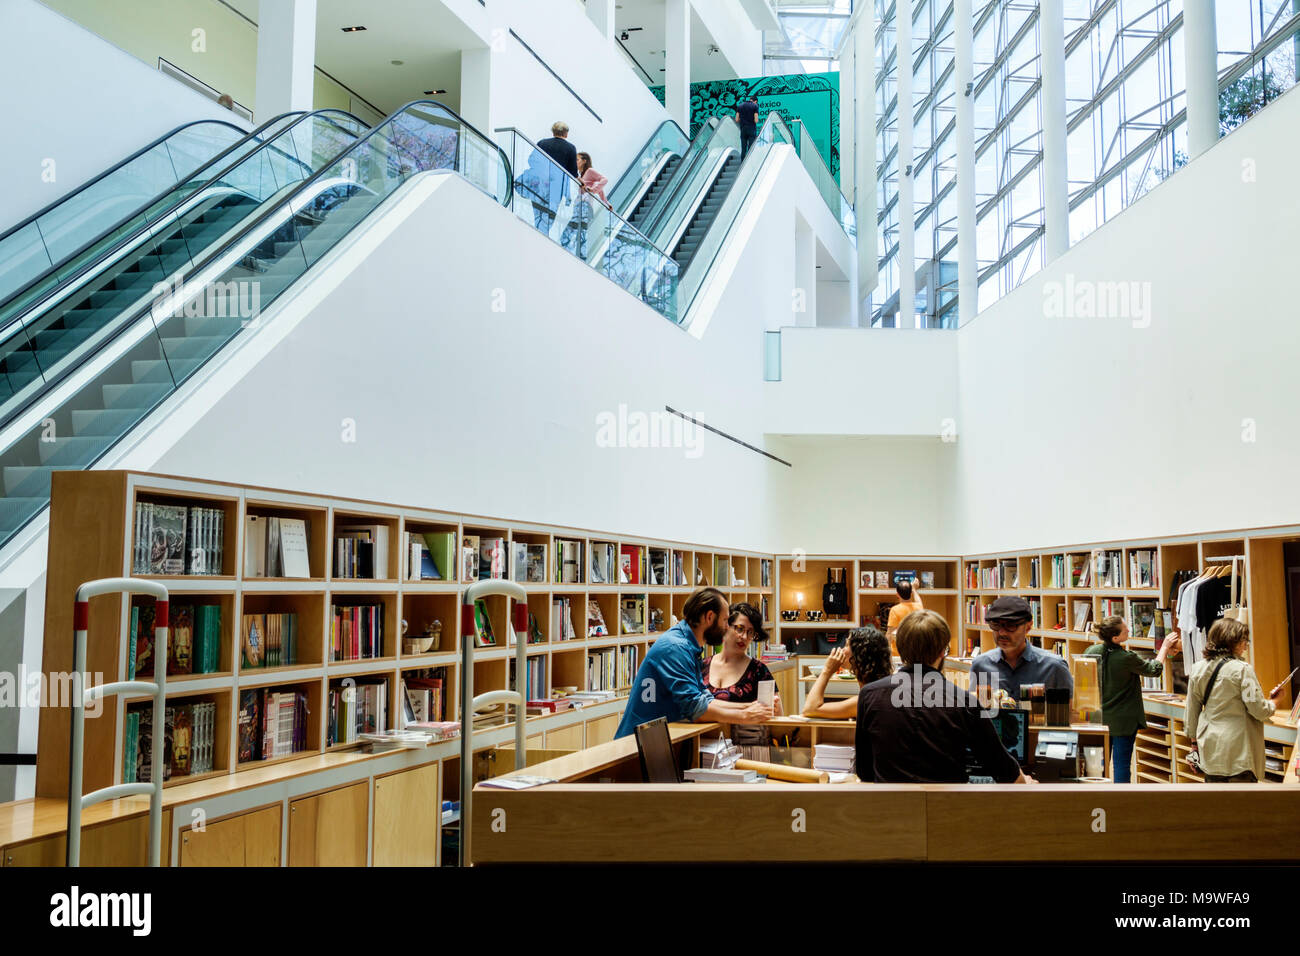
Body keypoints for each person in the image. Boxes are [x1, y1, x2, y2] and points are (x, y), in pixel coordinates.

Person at [855, 610, 1032, 783]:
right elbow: (1002, 768)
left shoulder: (869, 695)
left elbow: (864, 771)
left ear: (900, 649)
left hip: (891, 809)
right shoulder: (964, 701)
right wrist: (1027, 783)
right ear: (942, 652)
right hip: (947, 809)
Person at [614, 587, 773, 738]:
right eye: (725, 620)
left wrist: (750, 707)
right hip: (638, 744)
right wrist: (745, 715)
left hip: (654, 737)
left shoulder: (688, 646)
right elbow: (696, 709)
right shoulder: (676, 647)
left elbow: (705, 699)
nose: (727, 627)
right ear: (709, 617)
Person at [1083, 615, 1181, 783]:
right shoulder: (1126, 658)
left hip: (1096, 719)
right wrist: (1164, 647)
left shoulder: (1090, 653)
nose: (1129, 629)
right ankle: (1122, 802)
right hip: (1123, 721)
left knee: (1096, 766)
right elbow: (1153, 670)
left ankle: (1096, 799)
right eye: (1125, 629)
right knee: (1121, 765)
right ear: (1115, 638)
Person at [1185, 618, 1275, 782]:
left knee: (1216, 804)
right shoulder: (1242, 670)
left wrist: (1194, 747)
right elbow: (1258, 710)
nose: (1246, 645)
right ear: (1231, 641)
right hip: (1238, 750)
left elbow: (1192, 712)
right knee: (1242, 805)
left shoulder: (1197, 669)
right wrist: (1273, 703)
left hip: (1209, 747)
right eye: (1243, 640)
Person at [702, 603, 781, 745]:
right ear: (726, 626)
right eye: (740, 629)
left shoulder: (759, 671)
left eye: (750, 632)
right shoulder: (701, 666)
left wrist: (773, 710)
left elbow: (780, 720)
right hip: (702, 746)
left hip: (746, 749)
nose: (744, 637)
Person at [970, 596, 1073, 702]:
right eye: (996, 625)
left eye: (1011, 626)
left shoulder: (1054, 667)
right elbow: (974, 712)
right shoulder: (980, 665)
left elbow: (1068, 715)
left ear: (1028, 627)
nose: (1002, 632)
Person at [802, 626, 892, 719]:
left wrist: (827, 670)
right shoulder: (880, 690)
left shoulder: (867, 698)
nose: (842, 650)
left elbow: (810, 709)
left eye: (846, 645)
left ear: (860, 654)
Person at [573, 151, 609, 258]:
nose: (575, 162)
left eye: (577, 159)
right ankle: (579, 255)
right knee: (578, 233)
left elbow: (604, 180)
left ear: (584, 161)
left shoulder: (590, 171)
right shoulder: (582, 175)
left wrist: (592, 190)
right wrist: (606, 203)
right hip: (579, 206)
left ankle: (581, 256)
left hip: (585, 206)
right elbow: (600, 190)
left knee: (581, 233)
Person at [885, 578, 924, 648]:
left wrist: (885, 651)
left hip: (898, 652)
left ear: (897, 594)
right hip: (913, 651)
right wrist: (914, 589)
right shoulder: (918, 607)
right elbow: (918, 601)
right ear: (910, 593)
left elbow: (890, 633)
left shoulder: (895, 610)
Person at [735, 96, 759, 160]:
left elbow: (736, 119)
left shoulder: (740, 106)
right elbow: (756, 120)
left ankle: (742, 163)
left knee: (743, 148)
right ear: (755, 101)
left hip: (743, 129)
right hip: (751, 128)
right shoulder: (755, 106)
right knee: (751, 148)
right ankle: (750, 163)